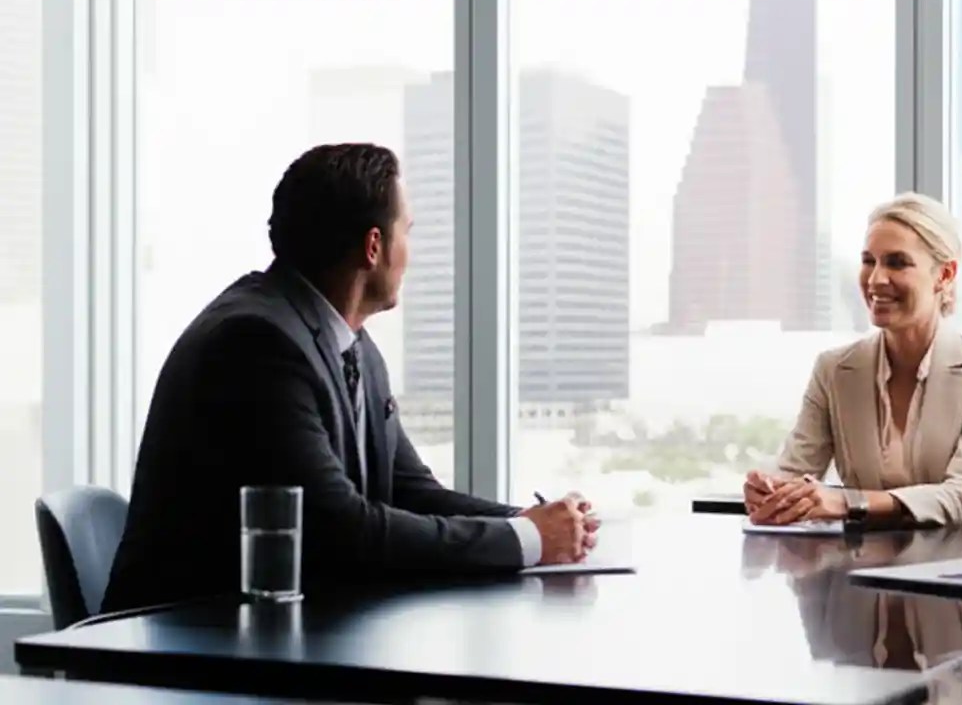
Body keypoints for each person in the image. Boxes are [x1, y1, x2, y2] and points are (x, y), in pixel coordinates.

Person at [103, 144, 596, 612]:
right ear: (374, 246)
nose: (412, 253)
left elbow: (408, 491)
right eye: (408, 231)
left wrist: (531, 521)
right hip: (191, 643)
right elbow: (337, 529)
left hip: (281, 632)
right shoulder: (255, 344)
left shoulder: (350, 344)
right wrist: (527, 539)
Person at [744, 192, 962, 528]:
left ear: (944, 275)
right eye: (869, 261)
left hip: (961, 556)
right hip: (862, 559)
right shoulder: (834, 370)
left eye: (897, 263)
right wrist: (773, 492)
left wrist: (849, 502)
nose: (875, 279)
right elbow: (795, 471)